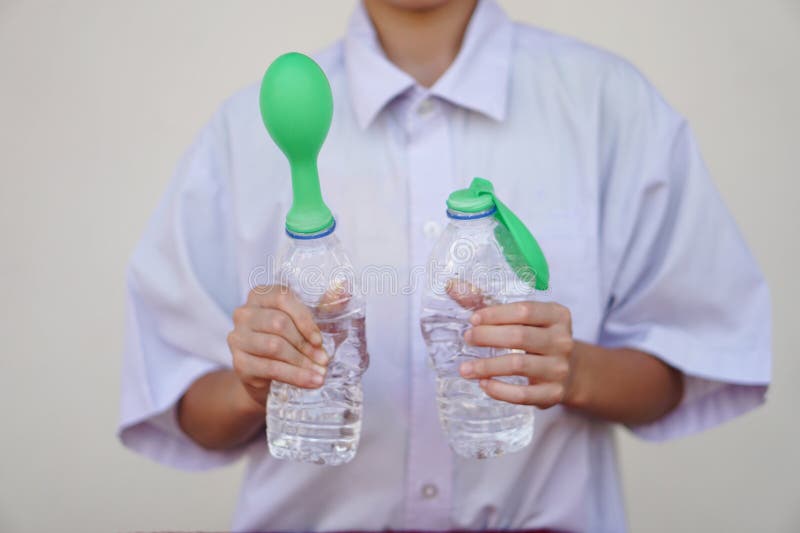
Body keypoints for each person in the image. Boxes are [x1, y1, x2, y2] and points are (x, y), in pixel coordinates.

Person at [117, 0, 772, 531]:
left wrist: (574, 367)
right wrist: (251, 385)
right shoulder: (243, 133)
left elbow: (684, 367)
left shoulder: (608, 105)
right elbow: (185, 405)